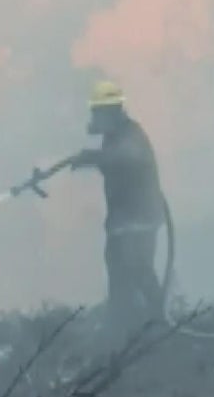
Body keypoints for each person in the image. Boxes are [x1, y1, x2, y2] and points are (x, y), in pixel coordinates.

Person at [70, 80, 168, 330]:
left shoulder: (130, 134)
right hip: (122, 220)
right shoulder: (111, 136)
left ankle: (157, 324)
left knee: (138, 269)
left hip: (139, 219)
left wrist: (93, 156)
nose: (94, 117)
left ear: (111, 111)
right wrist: (91, 153)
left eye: (98, 112)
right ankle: (123, 327)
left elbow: (125, 157)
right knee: (121, 274)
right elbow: (106, 157)